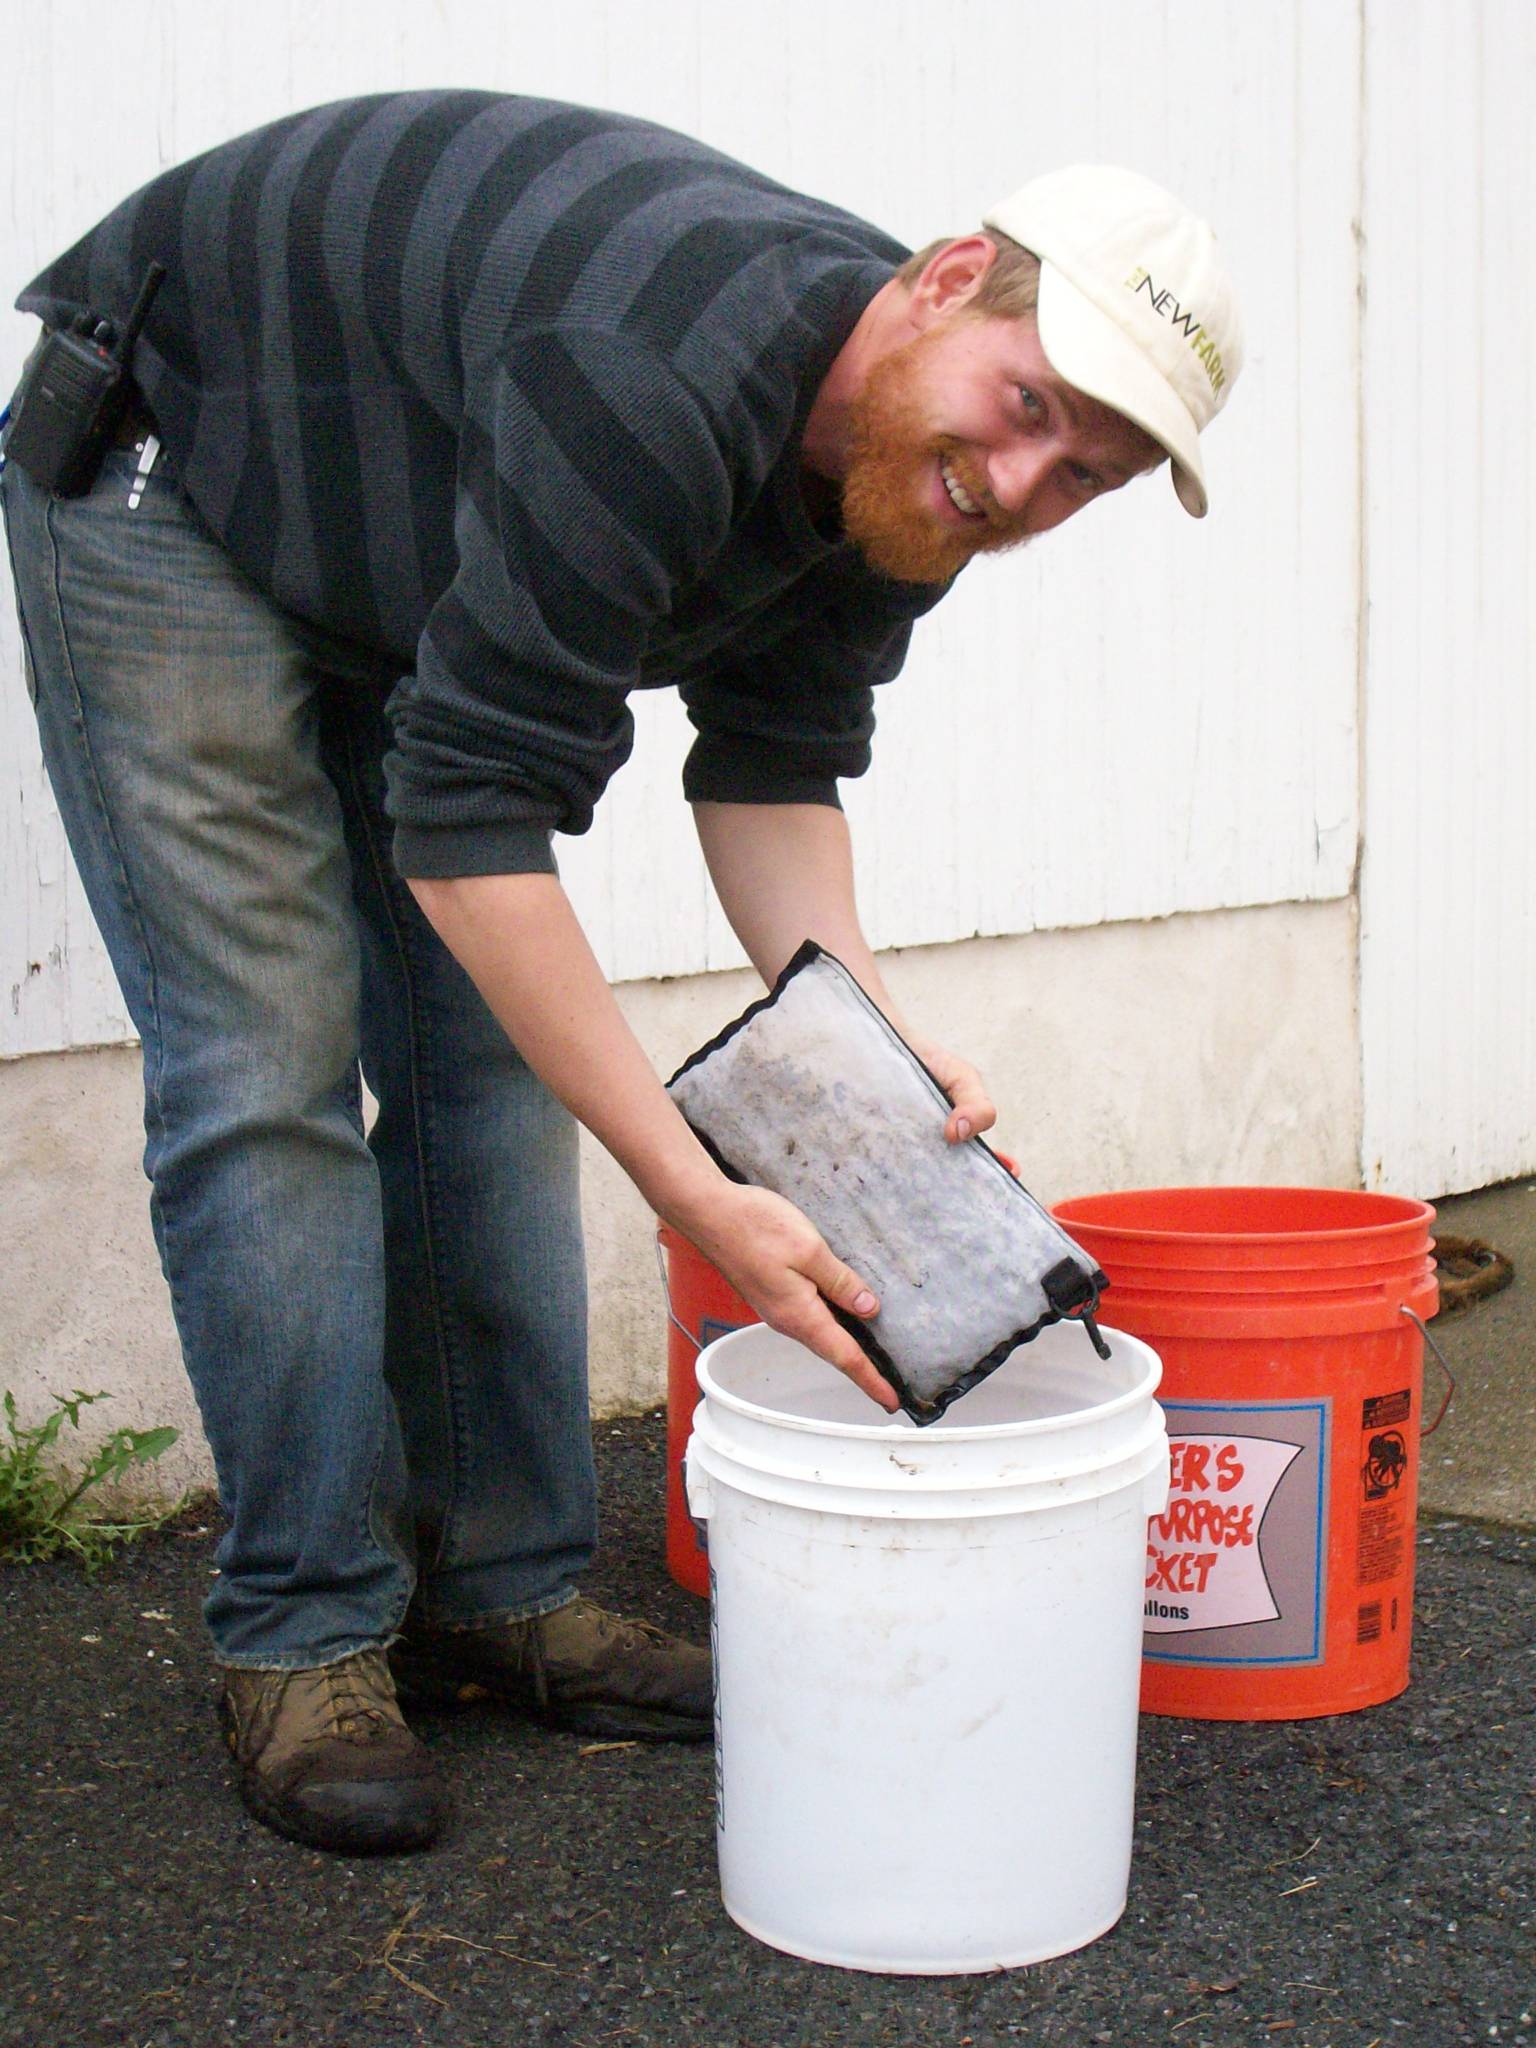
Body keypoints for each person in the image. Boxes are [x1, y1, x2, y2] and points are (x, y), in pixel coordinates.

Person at [1, 91, 1242, 1857]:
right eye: (1030, 408)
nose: (1024, 483)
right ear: (949, 280)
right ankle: (305, 1632)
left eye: (1086, 476)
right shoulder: (654, 370)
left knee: (493, 1065)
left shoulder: (914, 477)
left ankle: (500, 1597)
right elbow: (471, 818)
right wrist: (691, 1187)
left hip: (391, 525)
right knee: (269, 1068)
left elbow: (771, 766)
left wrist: (875, 1054)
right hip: (174, 467)